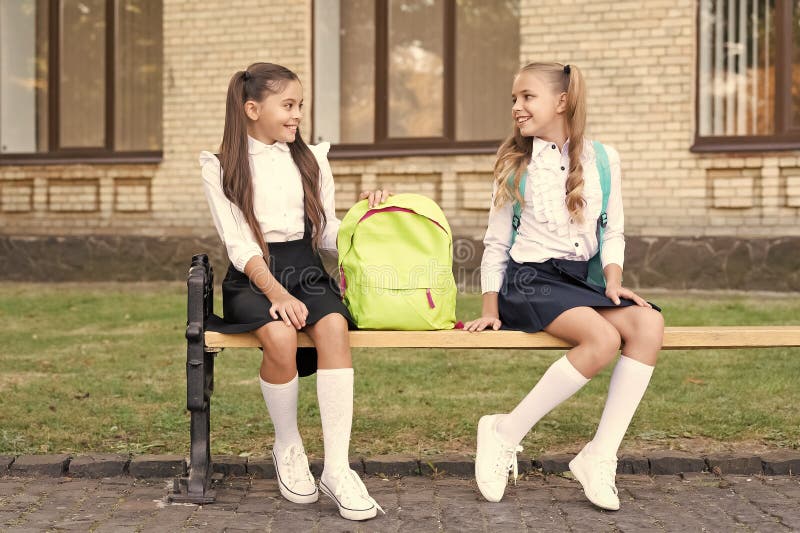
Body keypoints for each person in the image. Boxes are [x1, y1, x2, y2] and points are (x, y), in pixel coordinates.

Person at [464, 62, 664, 511]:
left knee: (648, 323)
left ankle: (599, 455)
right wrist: (490, 307)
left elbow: (613, 232)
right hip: (530, 280)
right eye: (514, 99)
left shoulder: (603, 159)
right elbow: (496, 242)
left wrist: (613, 281)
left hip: (578, 282)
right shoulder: (515, 164)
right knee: (602, 338)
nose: (516, 107)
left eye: (527, 97)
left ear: (562, 101)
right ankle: (504, 432)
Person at [200, 62, 389, 521]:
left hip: (306, 270)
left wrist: (370, 216)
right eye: (287, 105)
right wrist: (276, 294)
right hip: (254, 276)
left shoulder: (311, 159)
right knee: (281, 337)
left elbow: (325, 234)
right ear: (251, 109)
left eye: (300, 105)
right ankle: (288, 446)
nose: (296, 114)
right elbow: (239, 244)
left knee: (334, 326)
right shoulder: (222, 165)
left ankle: (339, 469)